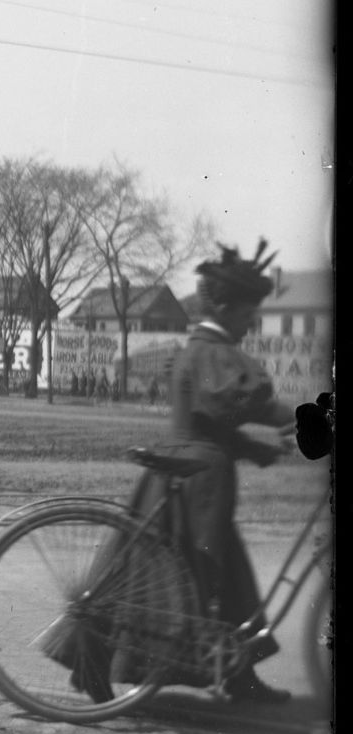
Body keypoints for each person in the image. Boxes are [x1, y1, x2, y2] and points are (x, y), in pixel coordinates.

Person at [67, 238, 299, 704]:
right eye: (249, 311)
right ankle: (97, 663)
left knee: (213, 572)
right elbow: (241, 401)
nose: (252, 321)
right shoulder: (212, 350)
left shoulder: (198, 347)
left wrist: (253, 448)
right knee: (189, 575)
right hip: (197, 481)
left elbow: (208, 418)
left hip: (186, 470)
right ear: (229, 306)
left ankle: (238, 673)